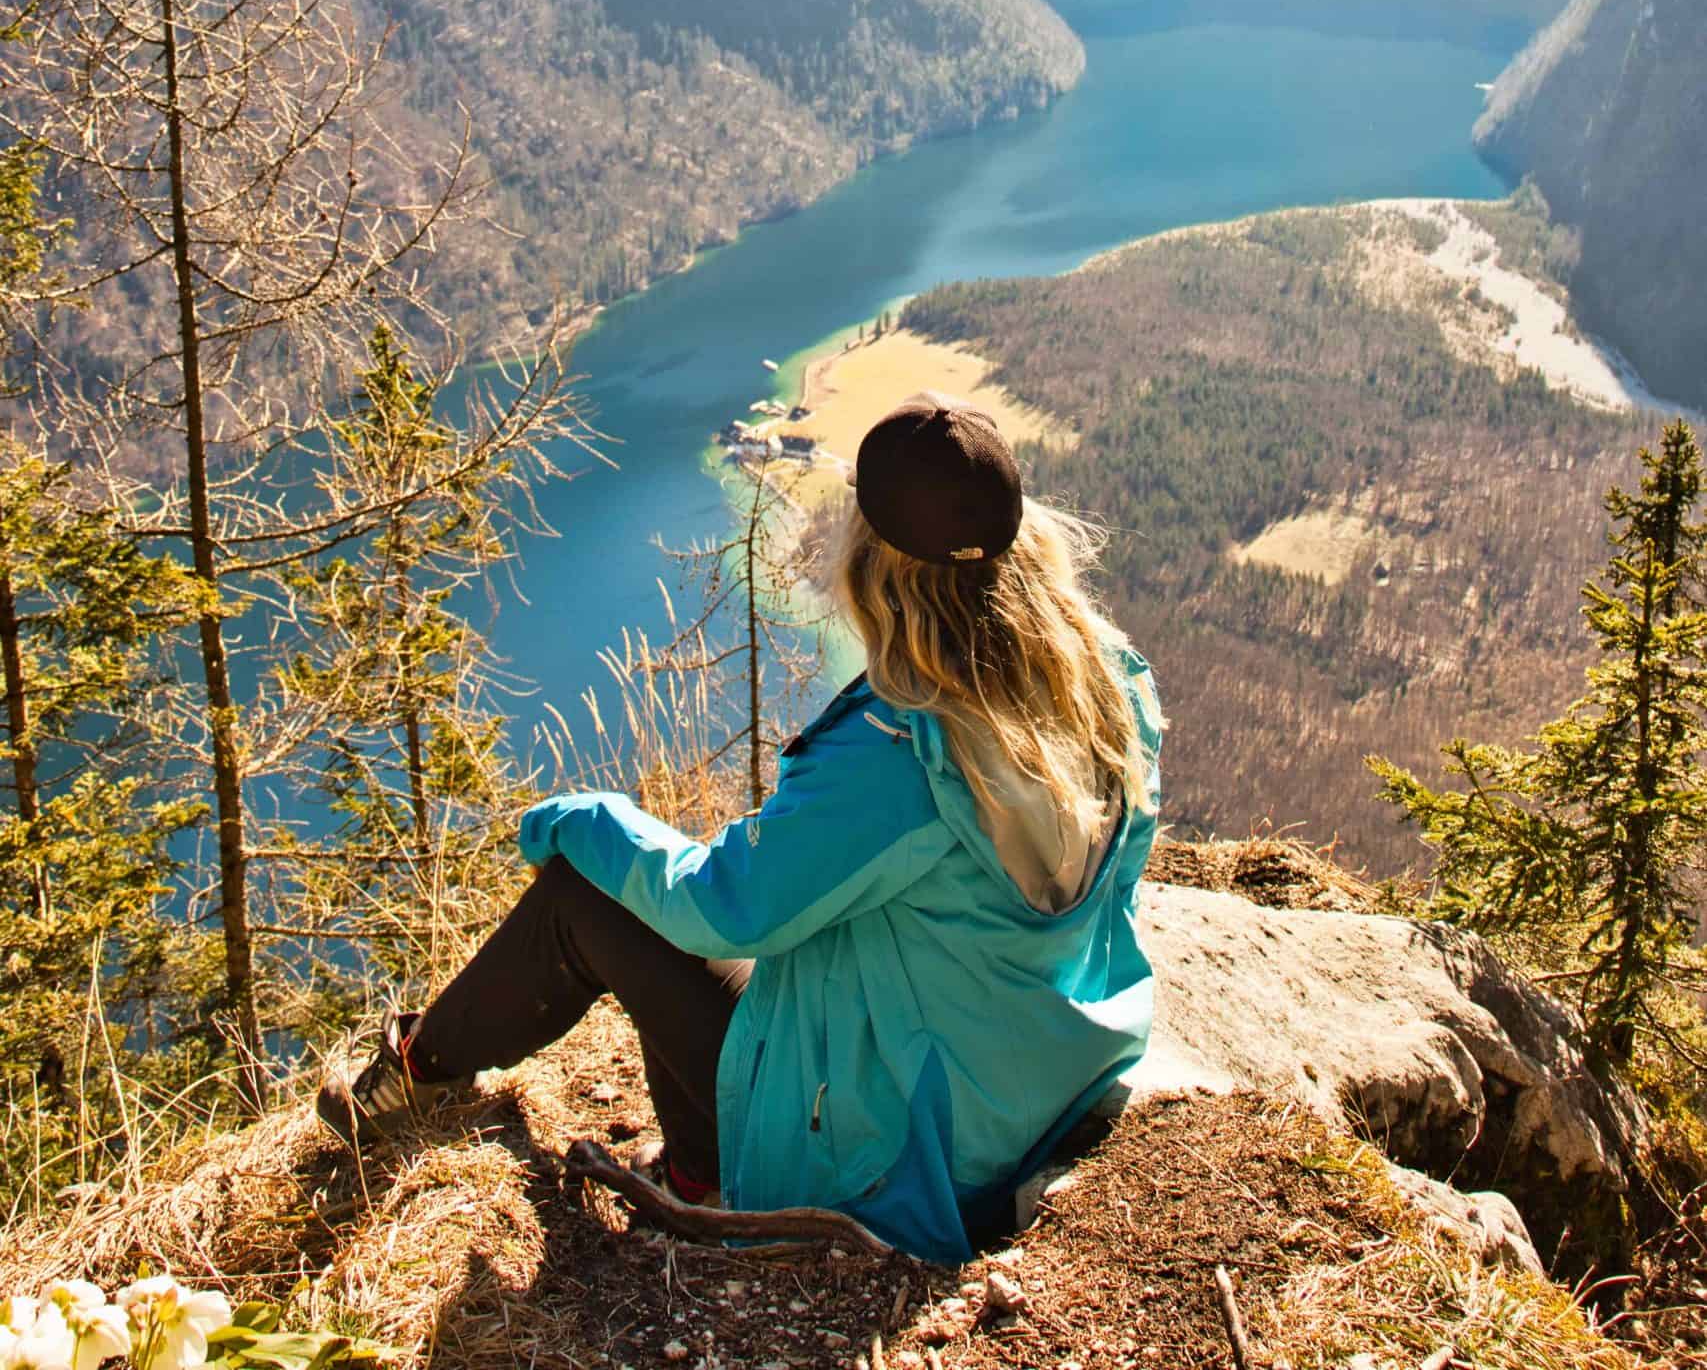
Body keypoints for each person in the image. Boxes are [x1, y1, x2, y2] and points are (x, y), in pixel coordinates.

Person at [318, 392, 1163, 1264]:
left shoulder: (901, 750)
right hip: (1029, 1080)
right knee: (705, 937)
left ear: (874, 563)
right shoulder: (1103, 684)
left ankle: (408, 1083)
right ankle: (692, 1174)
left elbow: (724, 910)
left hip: (910, 1152)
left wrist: (579, 818)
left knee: (591, 892)